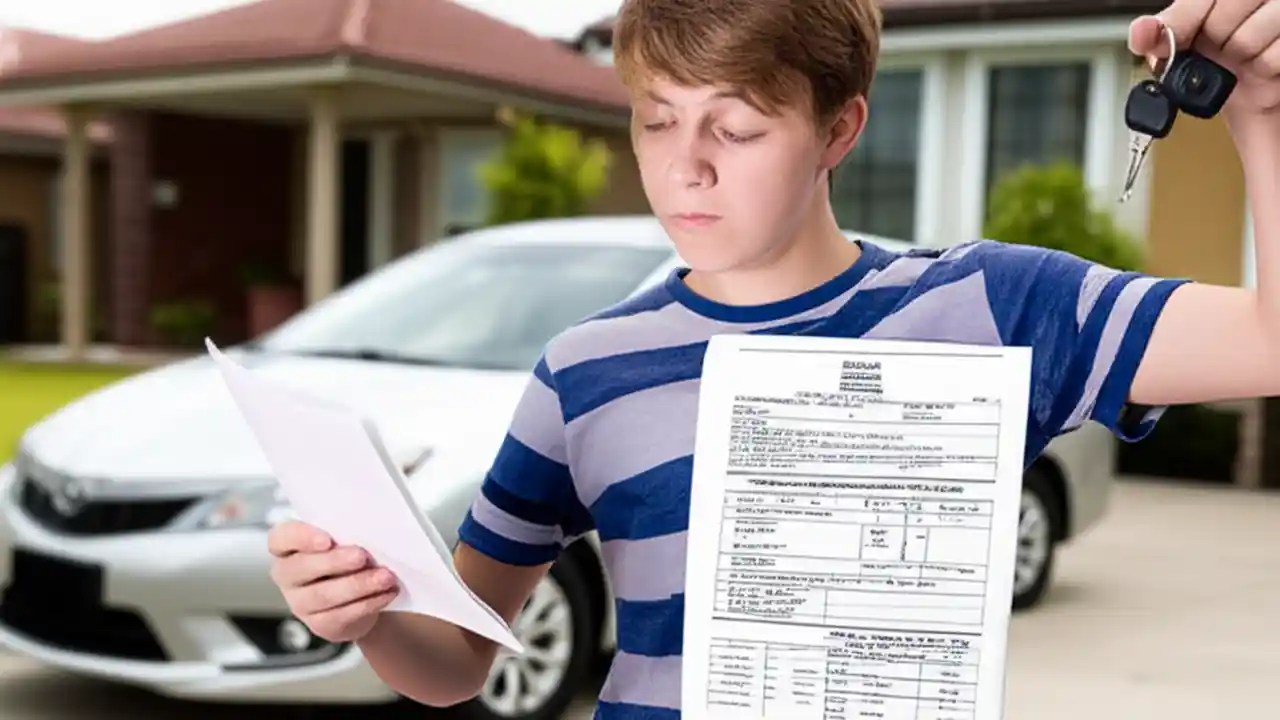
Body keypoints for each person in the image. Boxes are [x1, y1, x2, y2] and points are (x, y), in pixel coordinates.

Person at [265, 0, 1280, 717]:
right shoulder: (584, 370)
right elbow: (455, 666)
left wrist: (1261, 119)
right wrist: (368, 614)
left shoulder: (988, 305)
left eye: (737, 127)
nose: (682, 165)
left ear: (838, 129)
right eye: (655, 119)